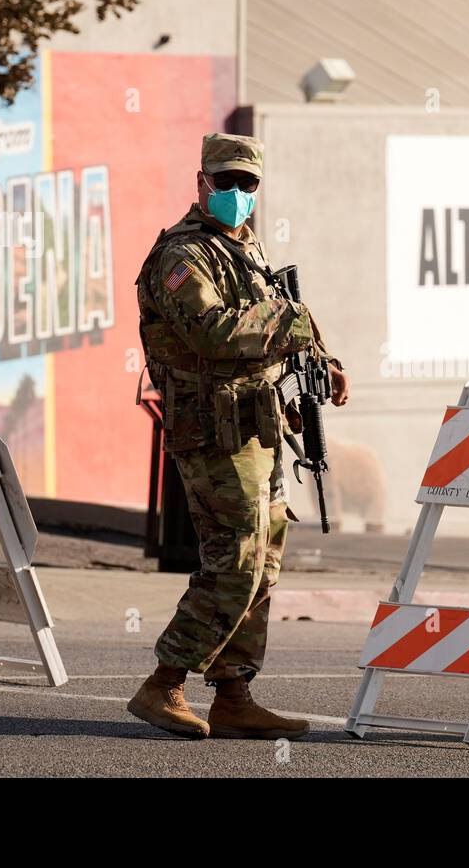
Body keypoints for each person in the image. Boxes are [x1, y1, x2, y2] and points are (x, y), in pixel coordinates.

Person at [128, 133, 349, 739]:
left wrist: (321, 359)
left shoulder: (246, 253)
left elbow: (282, 324)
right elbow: (214, 334)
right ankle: (164, 683)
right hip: (213, 431)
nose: (236, 193)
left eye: (247, 183)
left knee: (265, 560)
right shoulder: (183, 256)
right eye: (224, 181)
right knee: (236, 560)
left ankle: (233, 694)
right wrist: (292, 322)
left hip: (259, 425)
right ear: (201, 183)